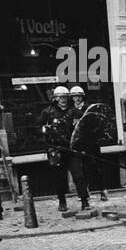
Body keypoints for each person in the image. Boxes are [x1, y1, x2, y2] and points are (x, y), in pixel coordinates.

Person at [39, 85, 90, 215]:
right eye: (60, 97)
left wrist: (81, 145)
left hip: (72, 149)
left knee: (79, 176)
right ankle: (62, 201)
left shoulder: (75, 112)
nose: (63, 100)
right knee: (59, 178)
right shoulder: (47, 113)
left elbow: (83, 130)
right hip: (57, 150)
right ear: (55, 98)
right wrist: (47, 138)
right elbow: (38, 129)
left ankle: (85, 201)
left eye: (65, 97)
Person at [69, 85, 109, 207]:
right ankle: (85, 192)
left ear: (82, 96)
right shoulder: (70, 111)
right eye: (74, 96)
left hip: (91, 143)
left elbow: (97, 124)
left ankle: (102, 189)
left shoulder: (90, 108)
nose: (76, 98)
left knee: (96, 167)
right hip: (77, 144)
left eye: (78, 96)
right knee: (81, 170)